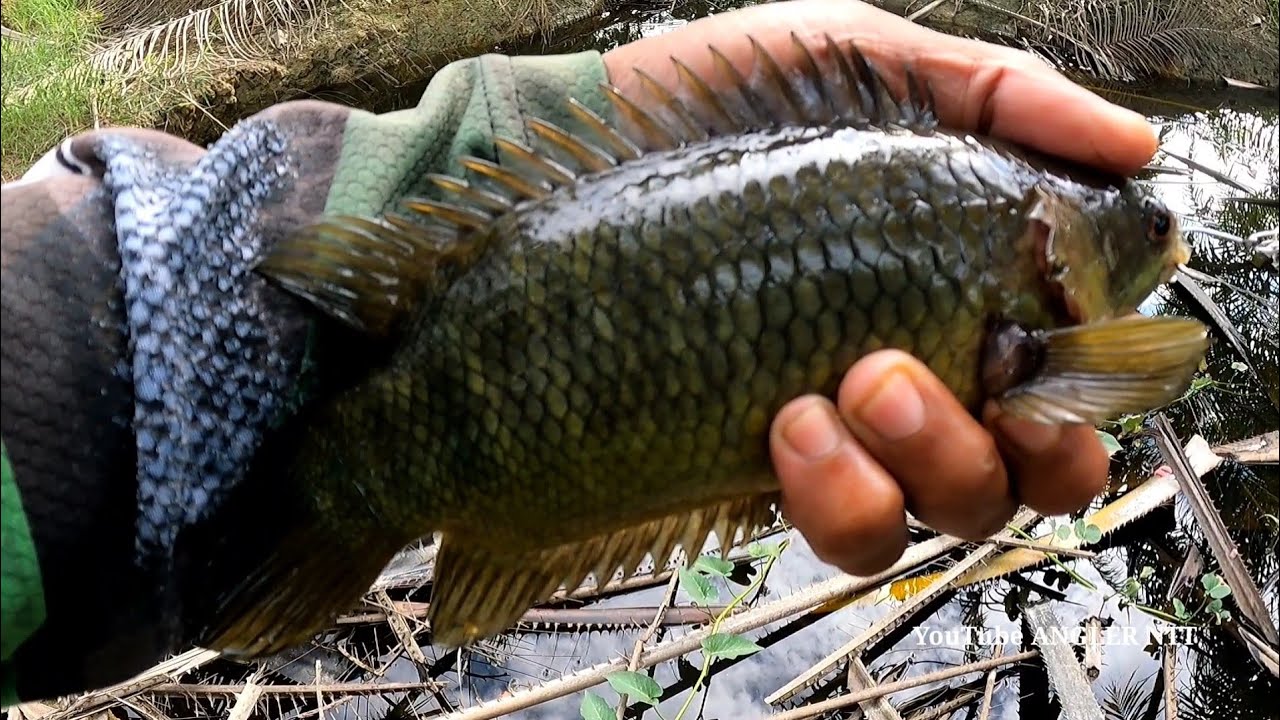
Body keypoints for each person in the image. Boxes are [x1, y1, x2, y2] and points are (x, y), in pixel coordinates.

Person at [0, 0, 1157, 706]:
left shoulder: (985, 206)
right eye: (1137, 238)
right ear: (1055, 257)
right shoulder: (1020, 280)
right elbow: (1140, 367)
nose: (1153, 247)